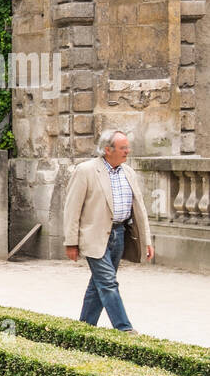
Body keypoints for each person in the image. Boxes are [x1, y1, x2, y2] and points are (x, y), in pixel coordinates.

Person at [62, 129, 154, 333]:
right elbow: (72, 208)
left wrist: (146, 239)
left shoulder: (128, 172)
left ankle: (84, 329)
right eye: (123, 148)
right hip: (93, 237)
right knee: (108, 283)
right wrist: (71, 242)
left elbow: (140, 209)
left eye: (127, 147)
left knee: (98, 285)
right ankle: (125, 329)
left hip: (119, 234)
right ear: (107, 150)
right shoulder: (85, 170)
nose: (127, 151)